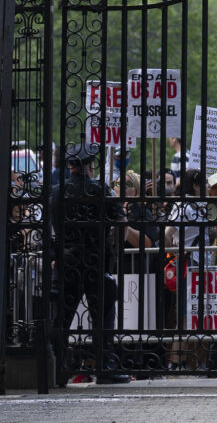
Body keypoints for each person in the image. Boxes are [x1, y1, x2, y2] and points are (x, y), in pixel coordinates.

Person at [51, 142, 130, 385]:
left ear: (70, 166)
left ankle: (57, 369)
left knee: (62, 318)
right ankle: (105, 366)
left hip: (67, 263)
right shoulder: (100, 189)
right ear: (90, 166)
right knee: (103, 317)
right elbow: (121, 221)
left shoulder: (56, 191)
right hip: (96, 261)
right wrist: (113, 247)